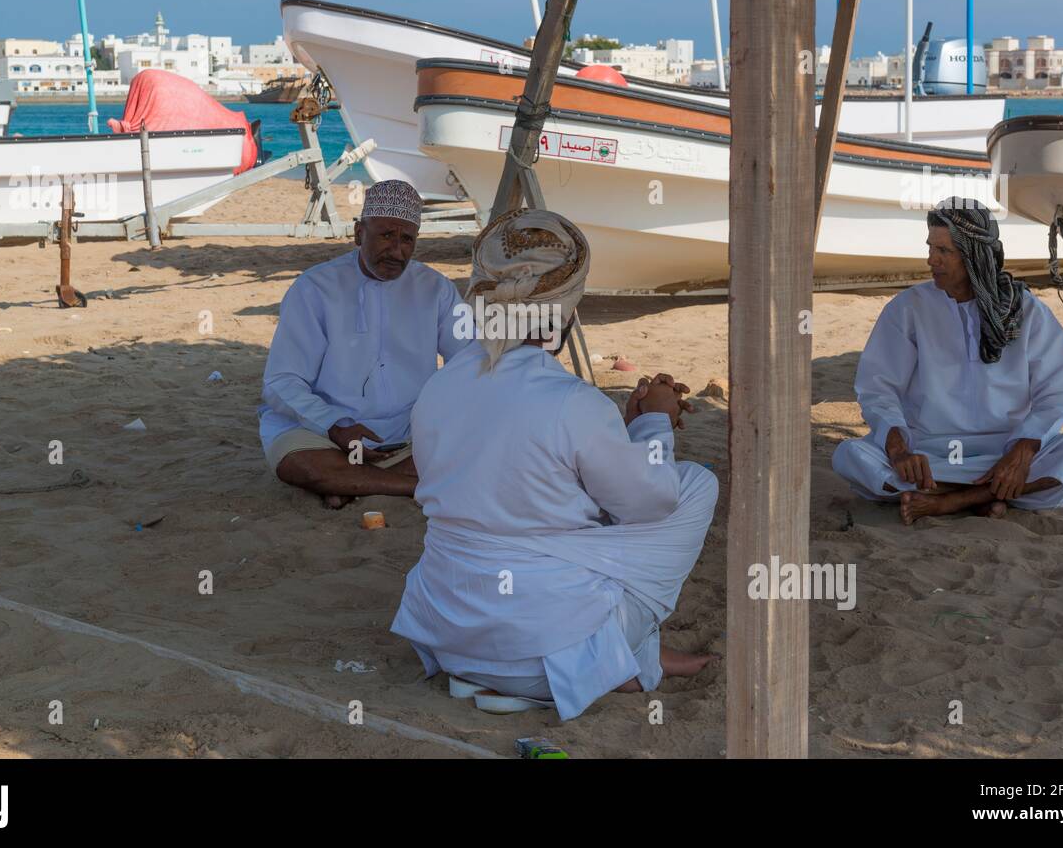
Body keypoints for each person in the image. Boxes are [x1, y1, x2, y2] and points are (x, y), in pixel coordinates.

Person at [391, 208, 719, 721]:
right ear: (566, 311)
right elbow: (649, 504)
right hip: (545, 656)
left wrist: (625, 431)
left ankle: (630, 656)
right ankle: (622, 657)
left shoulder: (437, 387)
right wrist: (654, 423)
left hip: (449, 639)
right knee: (696, 484)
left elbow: (517, 473)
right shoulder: (573, 402)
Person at [832, 197, 1063, 525]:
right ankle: (981, 497)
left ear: (975, 254)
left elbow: (1059, 391)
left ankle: (947, 500)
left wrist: (1023, 451)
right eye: (930, 247)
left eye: (943, 251)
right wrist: (899, 449)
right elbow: (878, 387)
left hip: (1004, 453)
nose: (932, 259)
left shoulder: (1027, 311)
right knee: (849, 455)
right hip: (929, 456)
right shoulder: (908, 308)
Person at [258, 180, 468, 508]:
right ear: (359, 233)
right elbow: (281, 382)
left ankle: (353, 484)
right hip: (325, 433)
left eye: (406, 239)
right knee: (299, 464)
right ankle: (410, 486)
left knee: (475, 441)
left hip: (411, 432)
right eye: (386, 235)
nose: (397, 251)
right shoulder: (314, 288)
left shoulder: (436, 289)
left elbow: (467, 362)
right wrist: (334, 425)